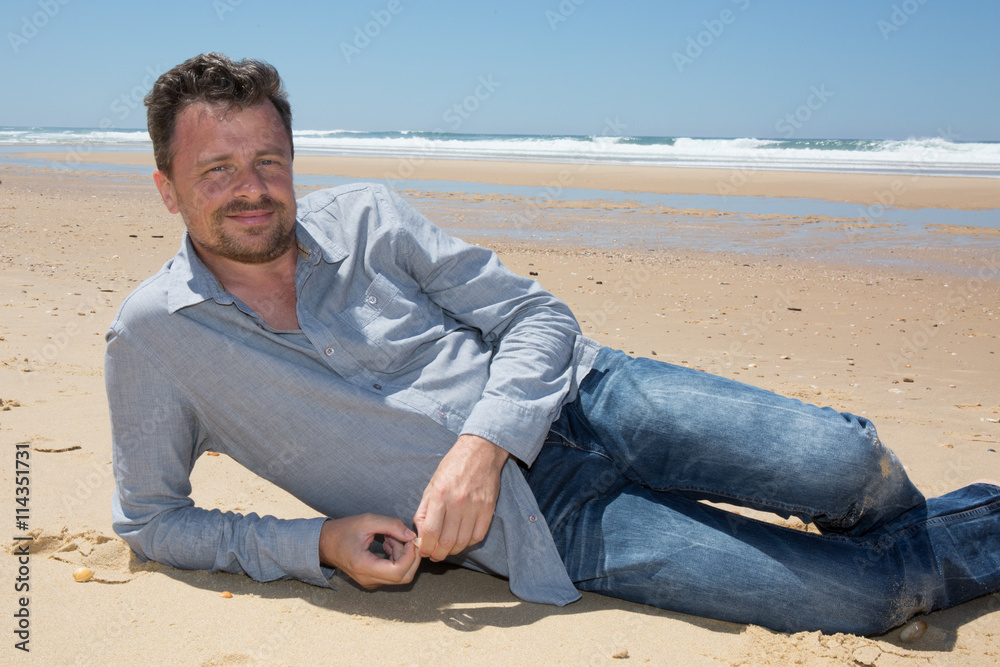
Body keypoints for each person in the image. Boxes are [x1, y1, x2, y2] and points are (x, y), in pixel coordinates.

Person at [106, 53, 1000, 636]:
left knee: (845, 459)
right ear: (167, 188)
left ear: (293, 158)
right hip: (549, 530)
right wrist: (320, 542)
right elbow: (153, 521)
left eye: (267, 160)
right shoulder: (153, 337)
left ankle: (937, 523)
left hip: (589, 395)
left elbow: (537, 318)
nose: (251, 189)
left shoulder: (371, 216)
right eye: (215, 170)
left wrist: (482, 444)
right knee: (868, 598)